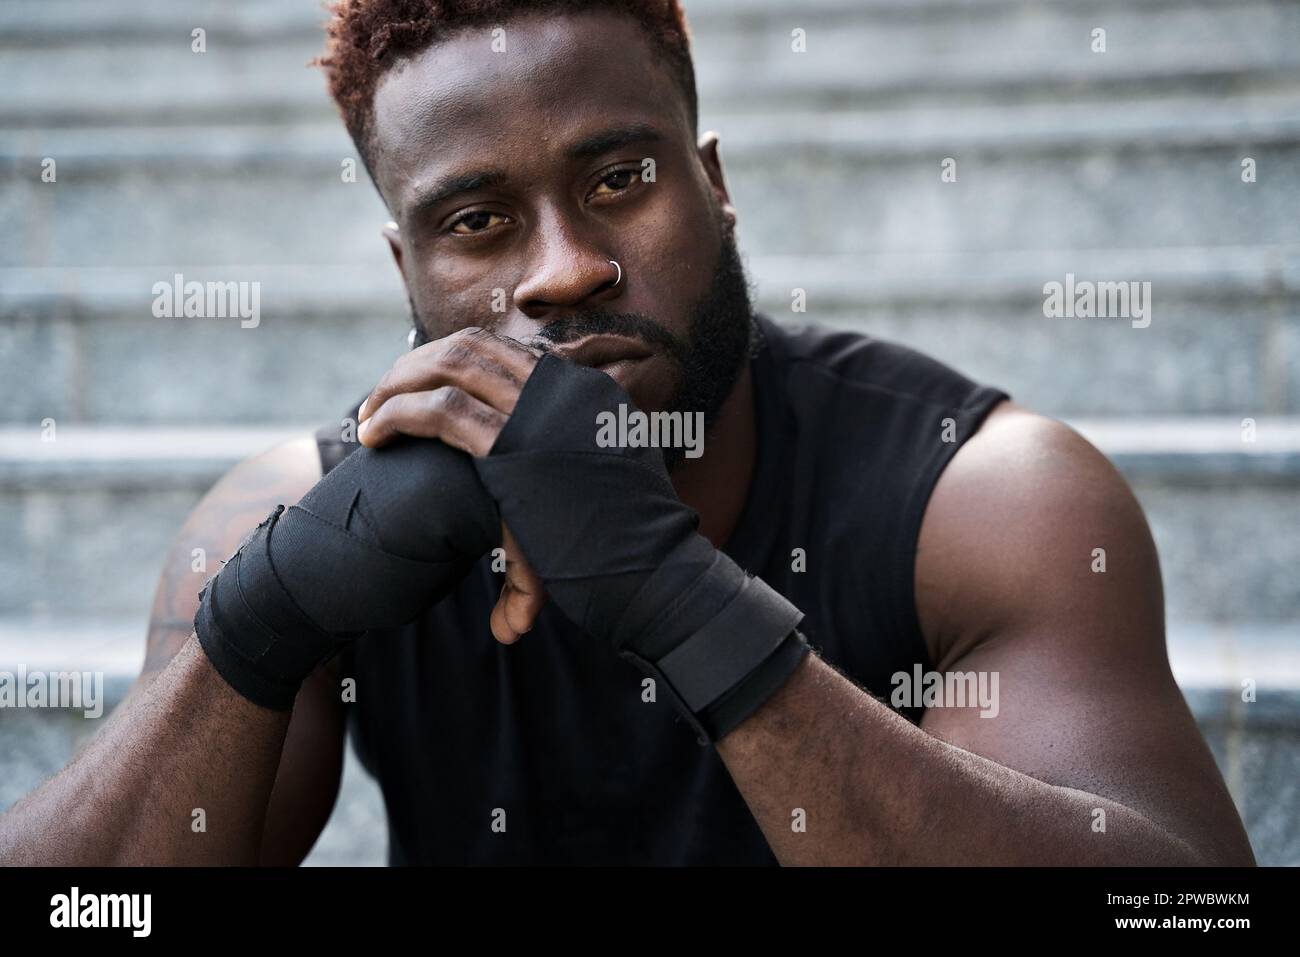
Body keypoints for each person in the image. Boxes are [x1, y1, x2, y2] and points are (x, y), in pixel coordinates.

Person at [0, 0, 1254, 866]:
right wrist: (265, 619)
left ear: (712, 182)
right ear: (409, 269)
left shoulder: (985, 498)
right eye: (479, 221)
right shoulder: (277, 530)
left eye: (619, 182)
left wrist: (674, 600)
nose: (564, 270)